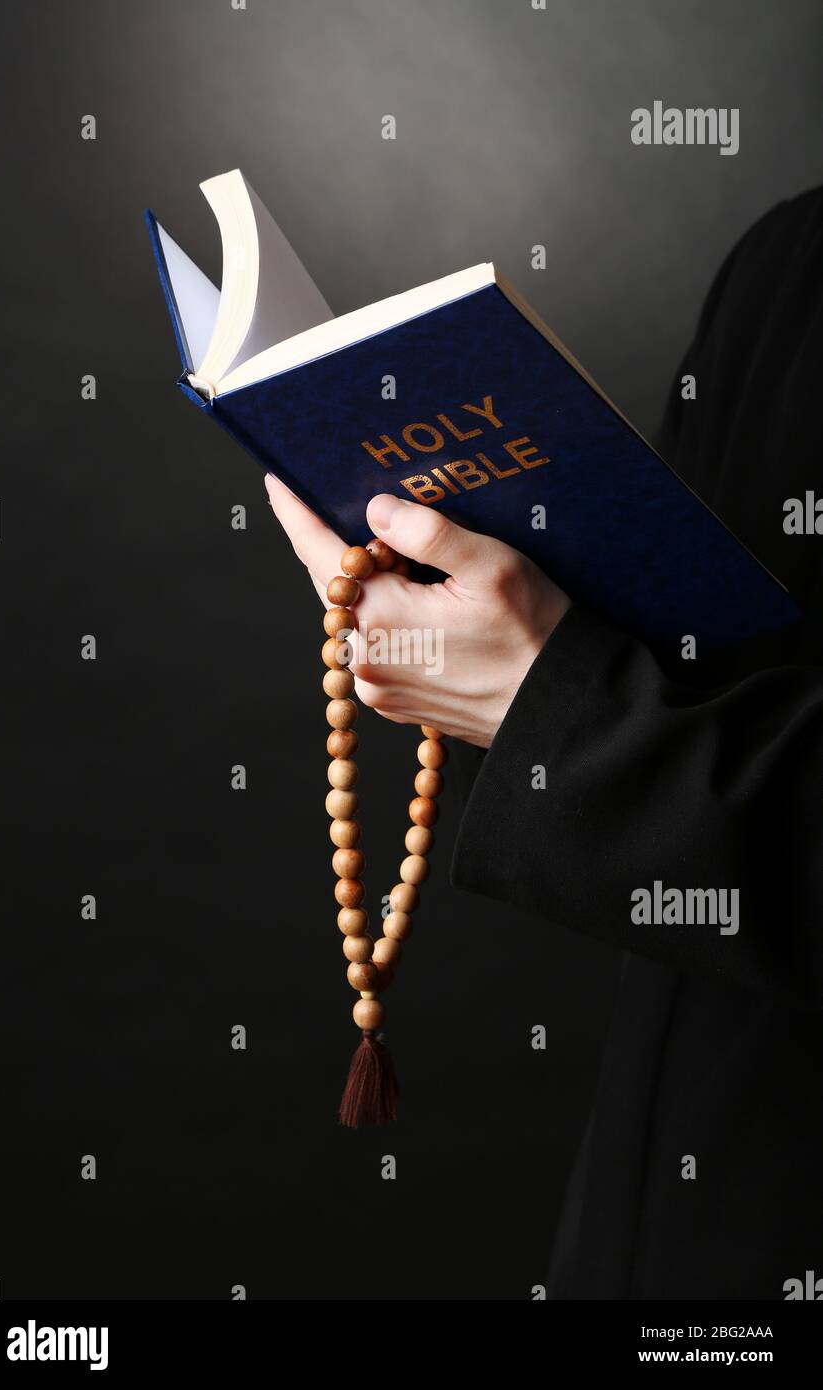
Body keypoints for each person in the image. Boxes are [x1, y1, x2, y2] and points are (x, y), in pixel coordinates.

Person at [265, 187, 823, 1299]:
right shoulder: (789, 257)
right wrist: (492, 569)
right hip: (670, 1189)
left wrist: (554, 706)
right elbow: (698, 658)